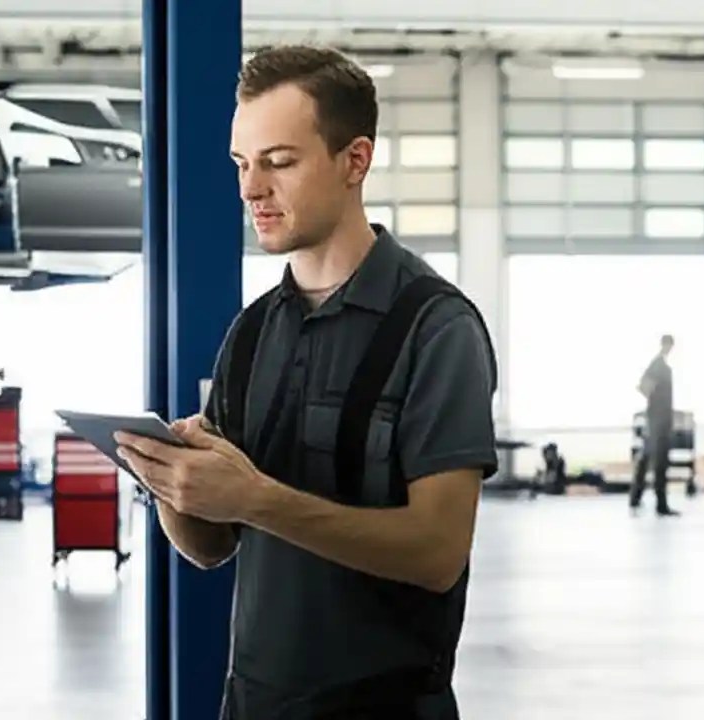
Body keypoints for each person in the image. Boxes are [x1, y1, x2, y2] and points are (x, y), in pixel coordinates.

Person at [113, 45, 498, 719]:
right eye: (242, 164)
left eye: (279, 162)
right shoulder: (254, 332)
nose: (250, 188)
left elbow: (438, 553)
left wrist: (258, 498)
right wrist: (172, 484)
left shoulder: (436, 330)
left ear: (355, 160)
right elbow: (211, 547)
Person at [630, 334, 679, 516]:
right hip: (659, 419)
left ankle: (636, 497)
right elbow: (643, 386)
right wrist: (655, 401)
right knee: (659, 463)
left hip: (658, 418)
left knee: (647, 459)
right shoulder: (658, 365)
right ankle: (661, 504)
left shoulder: (661, 365)